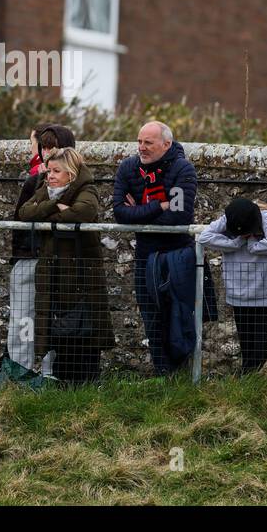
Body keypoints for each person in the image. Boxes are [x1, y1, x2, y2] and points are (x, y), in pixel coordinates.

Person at [15, 147, 114, 383]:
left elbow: (83, 212)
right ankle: (63, 390)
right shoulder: (45, 191)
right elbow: (25, 212)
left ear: (70, 173)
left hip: (81, 276)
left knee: (84, 335)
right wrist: (54, 206)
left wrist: (47, 214)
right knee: (59, 334)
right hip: (54, 274)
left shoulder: (86, 189)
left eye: (56, 171)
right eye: (48, 170)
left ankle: (86, 389)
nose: (50, 175)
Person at [112, 121, 197, 375]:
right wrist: (158, 206)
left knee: (178, 317)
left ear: (166, 144)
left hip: (178, 256)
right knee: (151, 318)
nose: (142, 148)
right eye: (139, 141)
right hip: (145, 256)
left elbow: (179, 216)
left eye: (148, 142)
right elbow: (119, 212)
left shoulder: (184, 170)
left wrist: (137, 210)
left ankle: (182, 378)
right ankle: (163, 375)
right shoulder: (128, 167)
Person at [8, 123, 75, 372]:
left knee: (52, 321)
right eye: (44, 147)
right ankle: (19, 371)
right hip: (29, 259)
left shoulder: (78, 186)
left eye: (53, 147)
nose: (47, 153)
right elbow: (23, 217)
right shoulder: (33, 182)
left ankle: (49, 375)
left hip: (58, 262)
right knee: (23, 320)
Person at [197, 197, 267, 375]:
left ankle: (245, 380)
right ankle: (246, 383)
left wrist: (251, 244)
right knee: (246, 343)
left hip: (263, 292)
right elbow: (204, 236)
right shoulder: (228, 218)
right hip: (238, 291)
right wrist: (235, 243)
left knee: (261, 346)